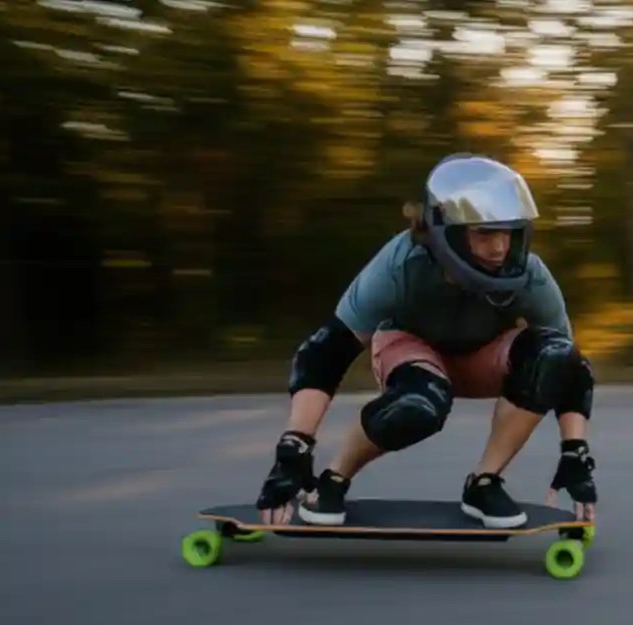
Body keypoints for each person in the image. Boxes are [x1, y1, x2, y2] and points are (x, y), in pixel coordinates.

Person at [253, 154, 598, 529]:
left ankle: (484, 483)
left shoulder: (528, 273)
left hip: (483, 355)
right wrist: (295, 446)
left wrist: (575, 451)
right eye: (484, 233)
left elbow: (570, 366)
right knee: (418, 405)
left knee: (554, 352)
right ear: (444, 230)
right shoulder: (400, 264)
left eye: (508, 232)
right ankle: (333, 480)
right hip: (410, 349)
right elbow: (326, 352)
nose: (500, 248)